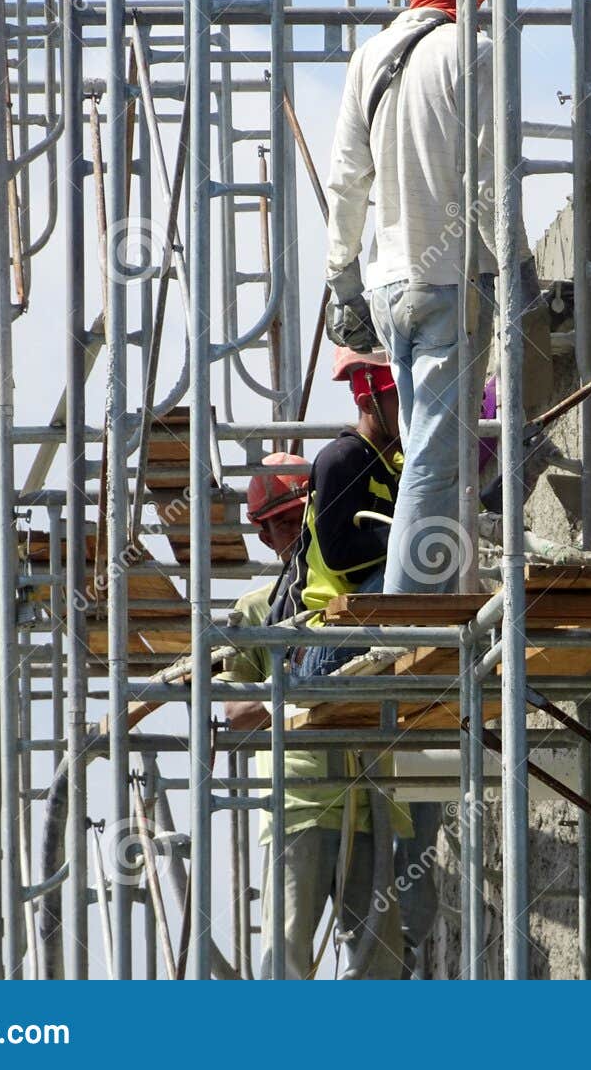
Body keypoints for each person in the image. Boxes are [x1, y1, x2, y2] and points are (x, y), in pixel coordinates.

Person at [322, 0, 539, 596]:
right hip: (448, 277)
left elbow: (346, 180)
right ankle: (412, 607)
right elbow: (491, 185)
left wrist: (342, 280)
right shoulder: (473, 53)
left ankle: (450, 582)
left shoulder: (369, 56)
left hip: (389, 286)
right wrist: (518, 273)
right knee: (437, 461)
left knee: (426, 447)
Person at [219, 358, 411, 979]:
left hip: (378, 789)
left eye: (285, 519)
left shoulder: (369, 586)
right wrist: (301, 695)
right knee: (285, 963)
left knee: (380, 970)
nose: (277, 536)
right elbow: (237, 717)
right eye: (265, 528)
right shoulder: (255, 613)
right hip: (301, 801)